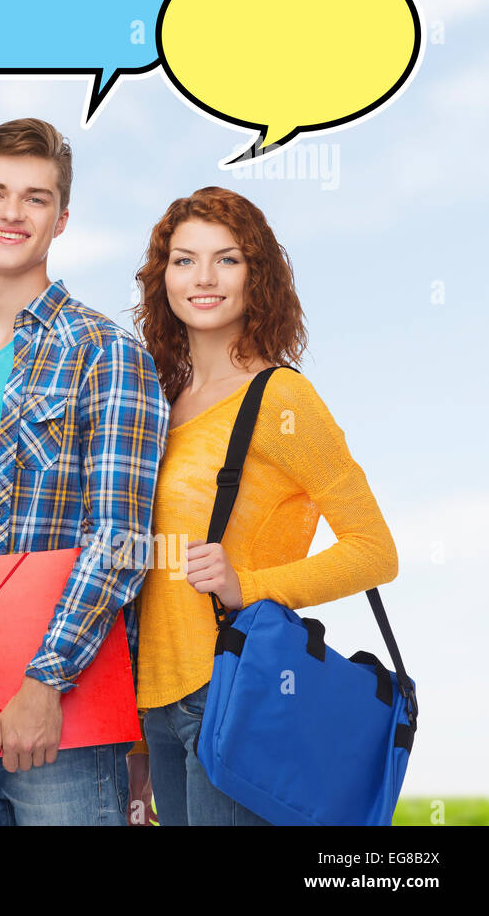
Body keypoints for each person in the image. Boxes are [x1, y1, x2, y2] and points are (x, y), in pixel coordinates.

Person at [0, 117, 170, 826]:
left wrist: (42, 679)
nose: (12, 212)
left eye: (35, 198)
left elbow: (121, 539)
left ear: (61, 219)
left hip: (58, 704)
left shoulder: (103, 350)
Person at [129, 186, 399, 826]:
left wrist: (248, 585)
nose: (203, 279)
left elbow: (375, 553)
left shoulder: (283, 401)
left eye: (227, 259)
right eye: (183, 259)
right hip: (154, 702)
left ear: (259, 276)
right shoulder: (158, 400)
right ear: (161, 274)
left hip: (232, 694)